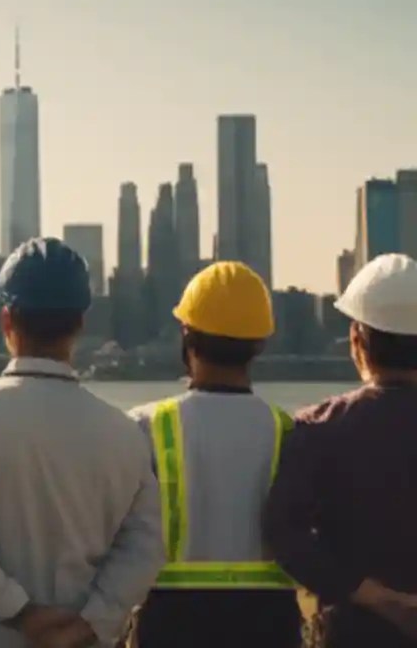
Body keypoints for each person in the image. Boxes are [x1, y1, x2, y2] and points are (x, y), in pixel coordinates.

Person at [0, 237, 164, 648]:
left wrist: (22, 611)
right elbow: (145, 547)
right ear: (80, 324)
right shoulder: (124, 433)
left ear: (6, 321)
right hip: (82, 640)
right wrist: (91, 621)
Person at [128, 262, 300, 648]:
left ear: (186, 336)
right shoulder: (288, 431)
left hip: (172, 620)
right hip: (268, 622)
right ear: (259, 344)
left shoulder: (145, 425)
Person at [265, 253, 417, 647]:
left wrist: (373, 595)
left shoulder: (318, 427)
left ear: (357, 342)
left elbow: (284, 533)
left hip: (354, 630)